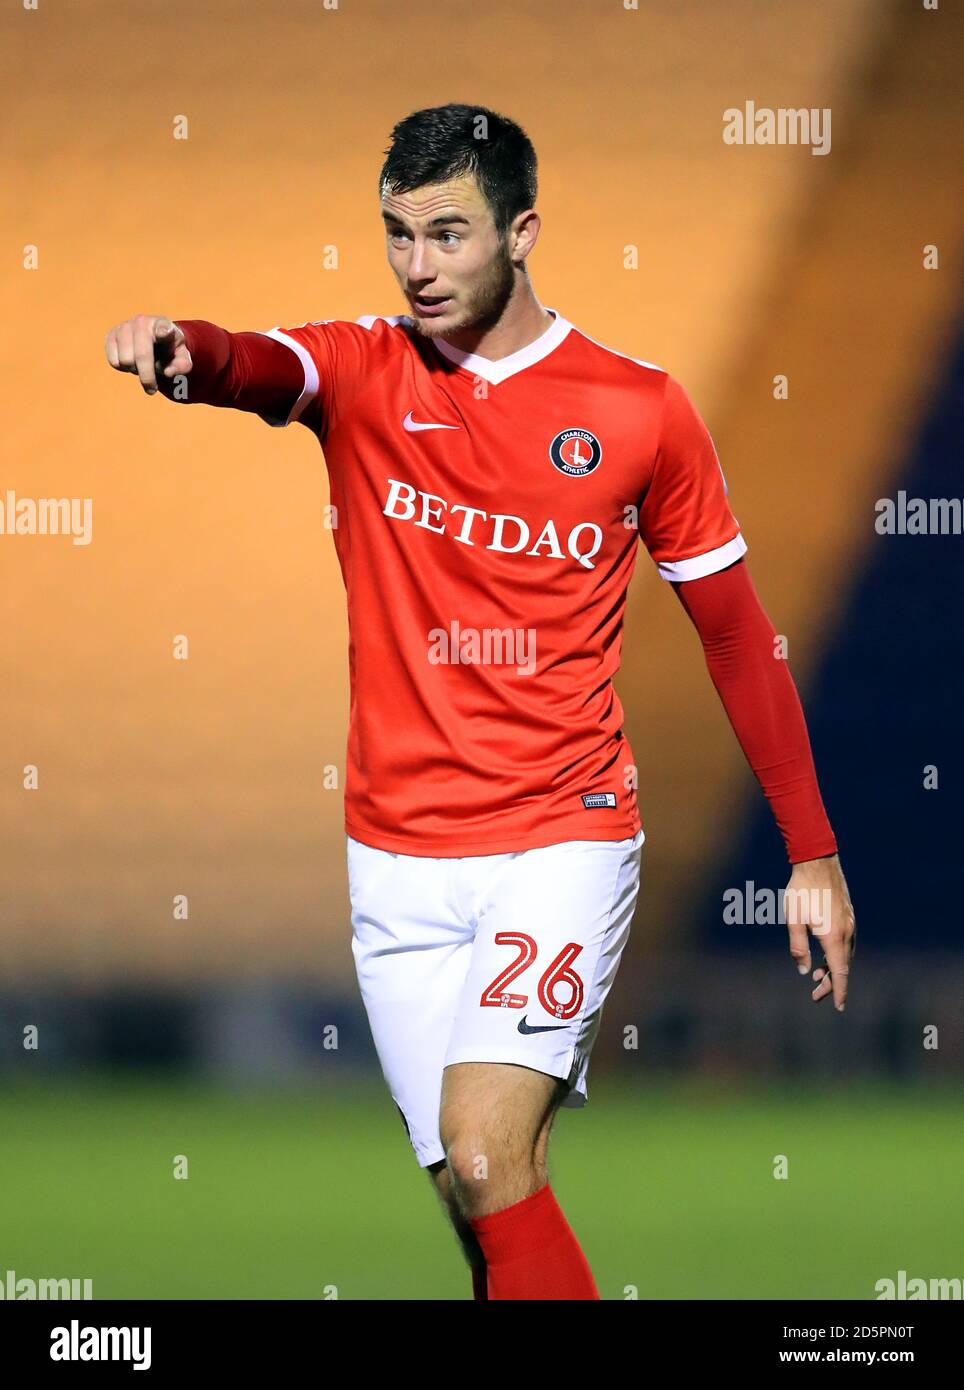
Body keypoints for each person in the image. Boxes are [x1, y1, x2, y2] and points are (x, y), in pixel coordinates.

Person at [104, 102, 856, 1301]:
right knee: (484, 1197)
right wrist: (186, 349)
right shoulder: (363, 367)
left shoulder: (637, 409)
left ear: (524, 229)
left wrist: (809, 850)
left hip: (560, 832)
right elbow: (257, 362)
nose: (417, 266)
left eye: (447, 234)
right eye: (398, 234)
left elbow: (734, 637)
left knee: (484, 1147)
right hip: (395, 858)